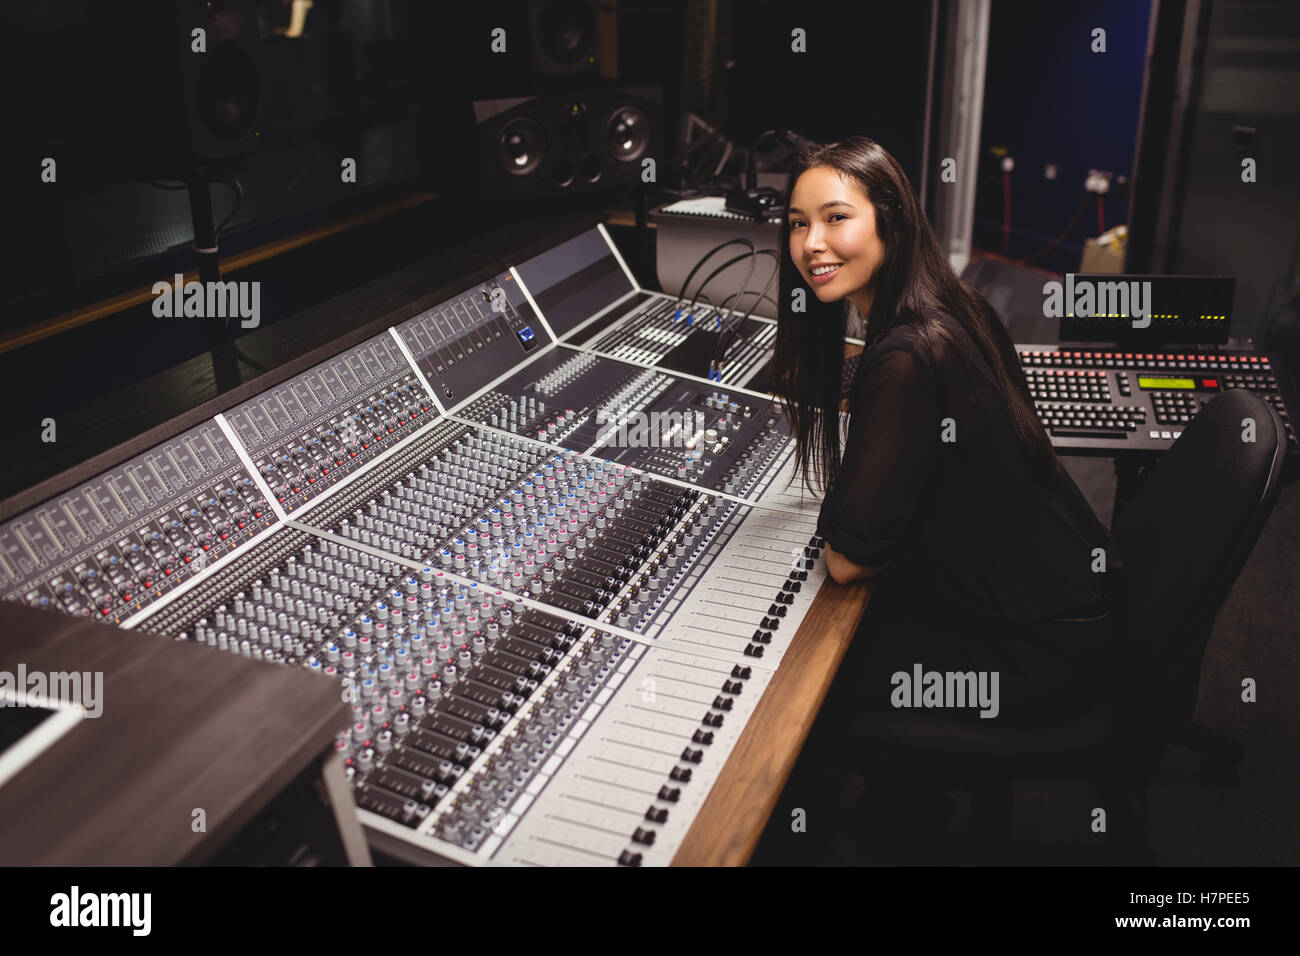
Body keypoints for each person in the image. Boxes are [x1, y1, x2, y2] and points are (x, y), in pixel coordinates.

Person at [771, 135, 1125, 858]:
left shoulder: (906, 356)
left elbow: (848, 559)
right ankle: (911, 797)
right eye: (798, 223)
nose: (811, 244)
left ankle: (891, 821)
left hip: (1032, 658)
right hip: (1071, 614)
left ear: (891, 222)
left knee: (800, 697)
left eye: (836, 218)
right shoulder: (952, 306)